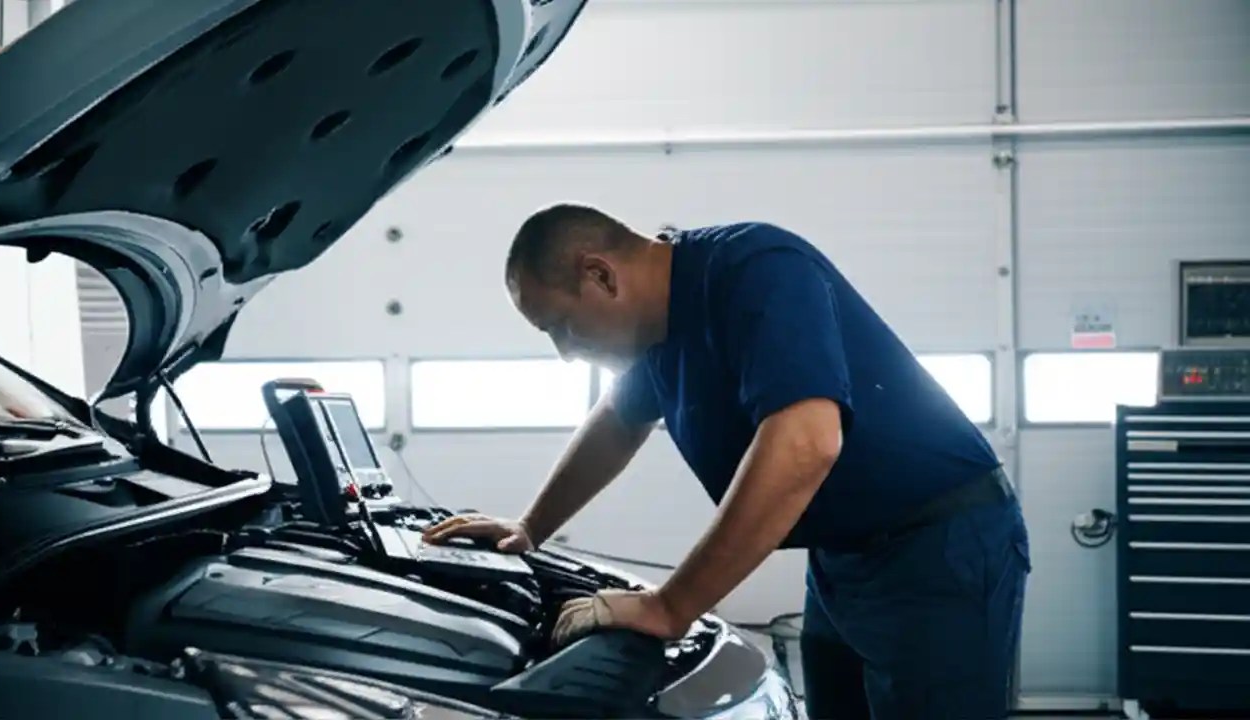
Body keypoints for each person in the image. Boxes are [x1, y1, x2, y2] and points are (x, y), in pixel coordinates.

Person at [423, 204, 1031, 719]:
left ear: (601, 276)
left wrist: (671, 606)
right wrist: (531, 528)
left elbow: (806, 443)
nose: (563, 352)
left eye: (559, 326)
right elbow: (614, 424)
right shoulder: (660, 335)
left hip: (941, 549)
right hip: (846, 563)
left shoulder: (754, 270)